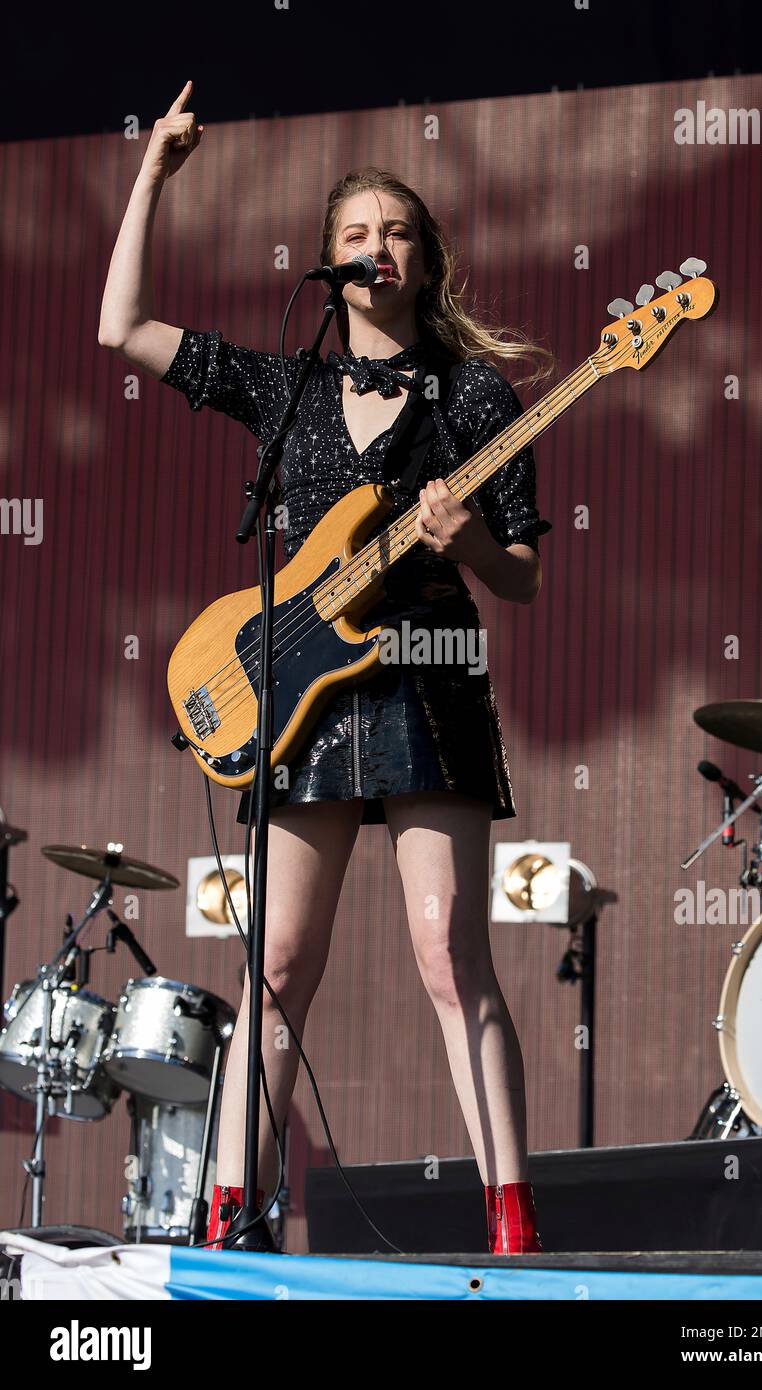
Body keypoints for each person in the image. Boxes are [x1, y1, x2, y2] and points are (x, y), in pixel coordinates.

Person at [98, 81, 553, 1255]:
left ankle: (510, 1227)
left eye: (396, 232)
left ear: (425, 258)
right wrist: (152, 174)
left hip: (424, 678)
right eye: (354, 236)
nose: (374, 250)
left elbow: (524, 581)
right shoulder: (284, 386)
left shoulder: (478, 397)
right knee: (279, 963)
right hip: (299, 690)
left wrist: (472, 546)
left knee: (450, 950)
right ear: (327, 263)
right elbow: (123, 329)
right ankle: (227, 1216)